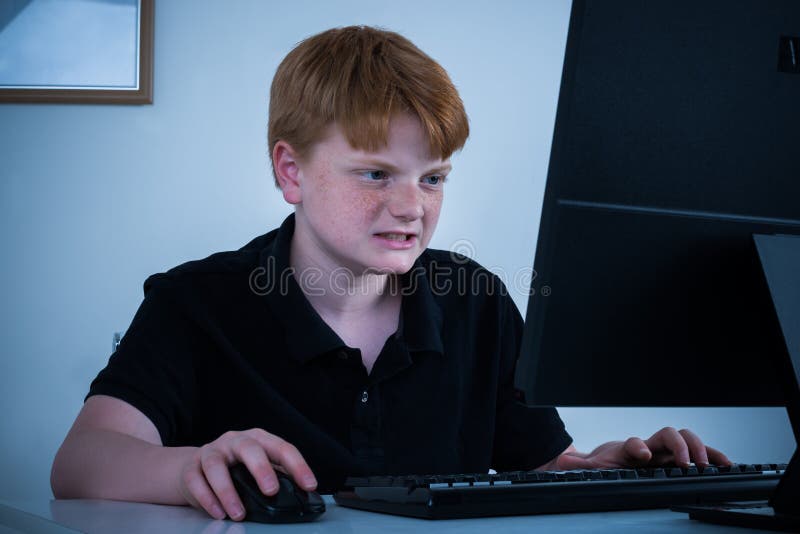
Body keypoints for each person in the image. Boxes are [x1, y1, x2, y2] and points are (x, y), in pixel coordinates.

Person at [50, 25, 730, 522]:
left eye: (432, 178)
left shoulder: (478, 301)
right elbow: (81, 462)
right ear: (292, 172)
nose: (411, 207)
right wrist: (187, 466)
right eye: (375, 174)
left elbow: (542, 464)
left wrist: (605, 470)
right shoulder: (195, 302)